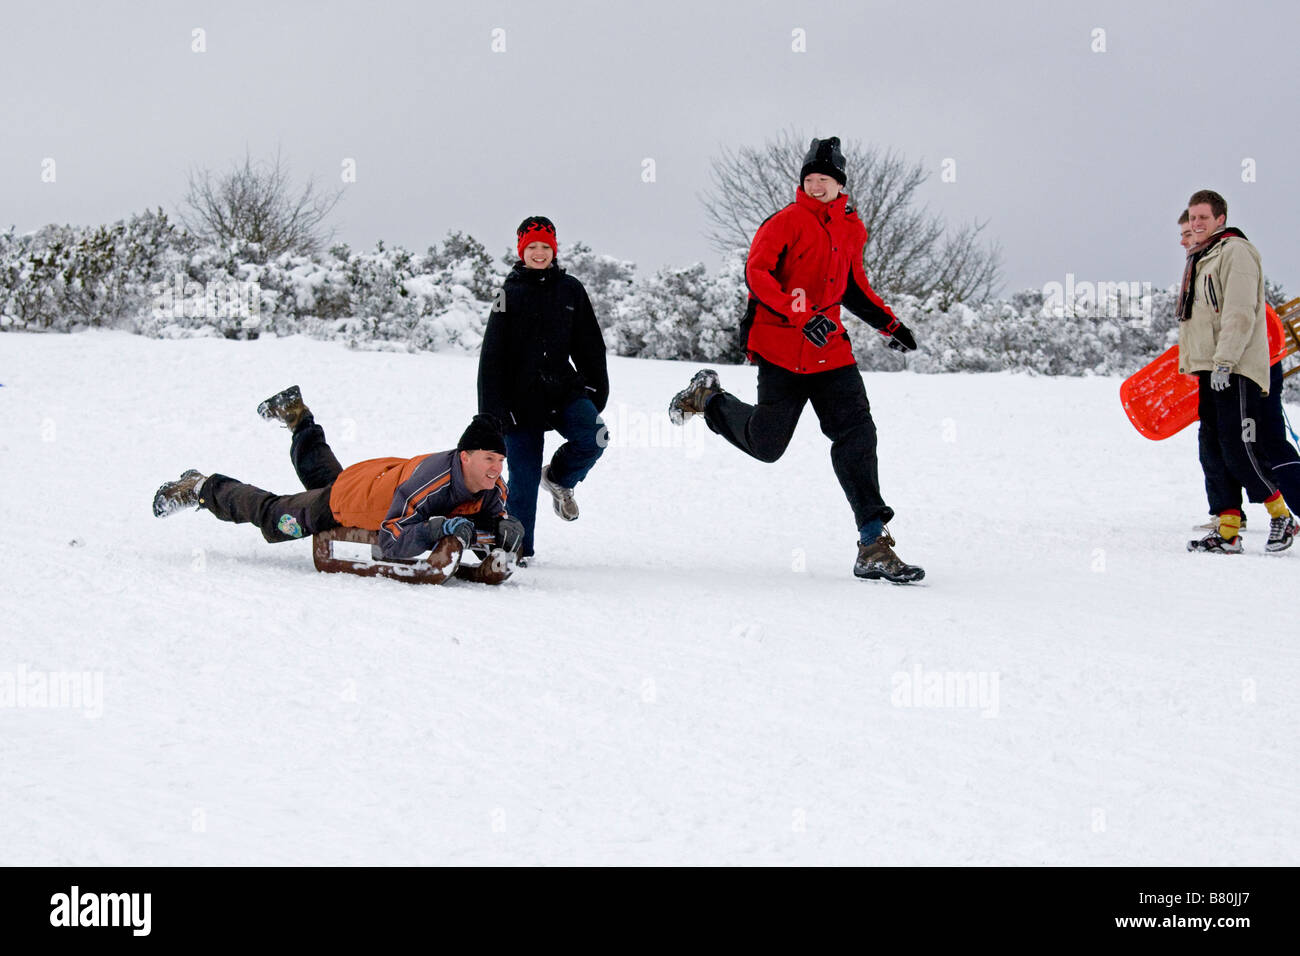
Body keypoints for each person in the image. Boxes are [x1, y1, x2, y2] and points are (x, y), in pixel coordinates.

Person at [667, 136, 923, 582]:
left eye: (825, 178)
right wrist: (800, 313)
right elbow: (757, 274)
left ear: (840, 183)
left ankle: (873, 542)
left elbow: (852, 286)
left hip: (831, 351)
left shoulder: (851, 227)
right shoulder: (784, 222)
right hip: (782, 347)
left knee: (857, 435)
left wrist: (890, 325)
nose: (817, 184)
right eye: (811, 178)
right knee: (767, 446)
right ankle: (708, 398)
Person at [152, 386, 523, 560]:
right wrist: (436, 529)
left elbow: (487, 523)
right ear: (464, 457)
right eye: (488, 459)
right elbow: (392, 542)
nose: (496, 469)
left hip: (372, 482)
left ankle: (297, 414)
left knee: (330, 480)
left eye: (500, 461)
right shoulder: (431, 484)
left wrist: (503, 529)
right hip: (349, 503)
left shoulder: (494, 486)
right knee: (273, 515)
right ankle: (199, 488)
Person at [477, 215, 609, 563]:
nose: (539, 253)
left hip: (562, 388)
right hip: (518, 398)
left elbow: (590, 345)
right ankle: (517, 551)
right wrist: (492, 412)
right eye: (531, 247)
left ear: (554, 249)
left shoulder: (571, 290)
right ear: (521, 251)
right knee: (521, 476)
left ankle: (559, 477)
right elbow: (491, 355)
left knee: (594, 436)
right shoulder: (508, 293)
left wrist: (596, 391)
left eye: (545, 246)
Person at [1180, 189, 1299, 553]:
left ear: (1220, 219)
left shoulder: (1236, 253)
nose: (1196, 223)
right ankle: (1228, 529)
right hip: (1209, 368)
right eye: (1192, 217)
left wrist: (1225, 361)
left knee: (1240, 446)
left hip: (1234, 368)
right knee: (1212, 449)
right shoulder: (1203, 257)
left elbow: (1239, 312)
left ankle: (1282, 516)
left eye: (1203, 217)